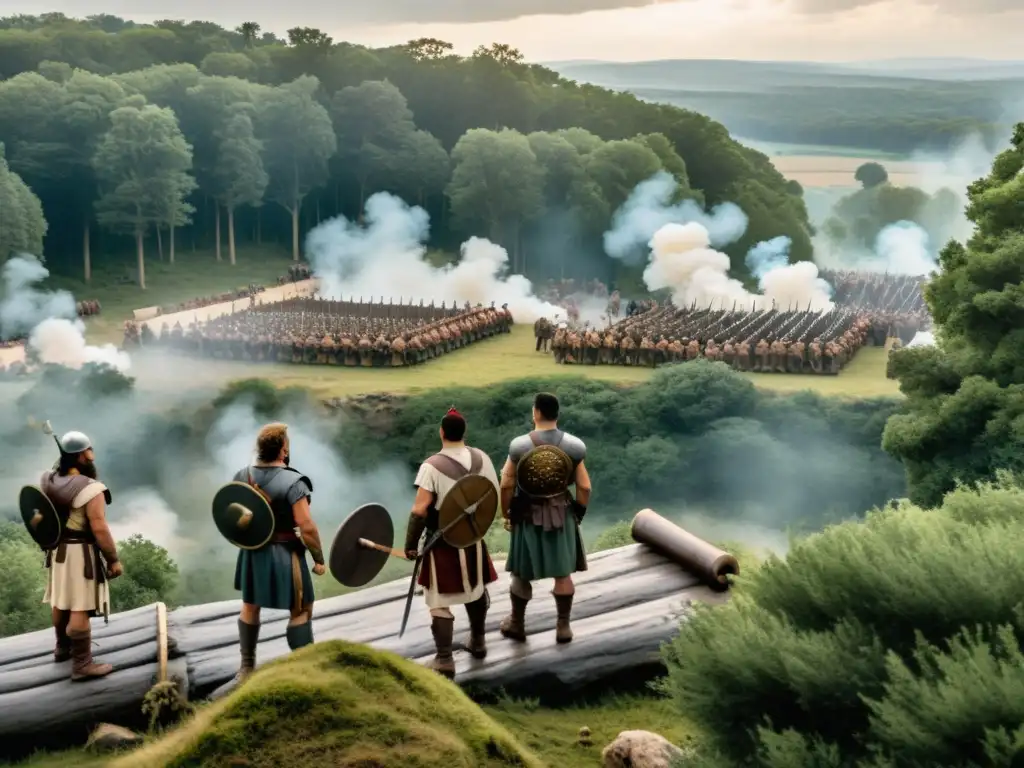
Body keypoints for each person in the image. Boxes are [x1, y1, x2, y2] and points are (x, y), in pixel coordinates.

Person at [403, 407, 500, 678]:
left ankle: (445, 659)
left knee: (439, 601)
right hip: (473, 539)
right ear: (463, 433)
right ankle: (478, 643)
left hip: (442, 542)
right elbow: (490, 496)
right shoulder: (483, 458)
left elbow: (420, 510)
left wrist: (411, 544)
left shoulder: (431, 466)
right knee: (477, 590)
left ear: (442, 432)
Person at [231, 423, 326, 682]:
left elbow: (234, 516)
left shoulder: (241, 475)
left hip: (252, 552)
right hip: (286, 554)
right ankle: (306, 668)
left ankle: (246, 667)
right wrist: (318, 559)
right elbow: (306, 525)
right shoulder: (295, 481)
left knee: (250, 606)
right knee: (301, 608)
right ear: (283, 450)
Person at [498, 393, 591, 644]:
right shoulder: (574, 446)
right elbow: (584, 487)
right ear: (557, 414)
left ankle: (517, 624)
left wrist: (506, 512)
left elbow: (506, 483)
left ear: (536, 413)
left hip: (527, 515)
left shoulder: (519, 446)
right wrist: (578, 512)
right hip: (561, 514)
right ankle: (563, 627)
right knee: (563, 574)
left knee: (520, 573)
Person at [40, 431, 122, 681]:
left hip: (58, 552)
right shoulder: (92, 489)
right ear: (82, 455)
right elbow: (99, 527)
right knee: (79, 607)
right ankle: (82, 664)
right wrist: (113, 559)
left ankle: (62, 647)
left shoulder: (49, 479)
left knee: (60, 600)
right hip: (80, 553)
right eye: (88, 450)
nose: (91, 454)